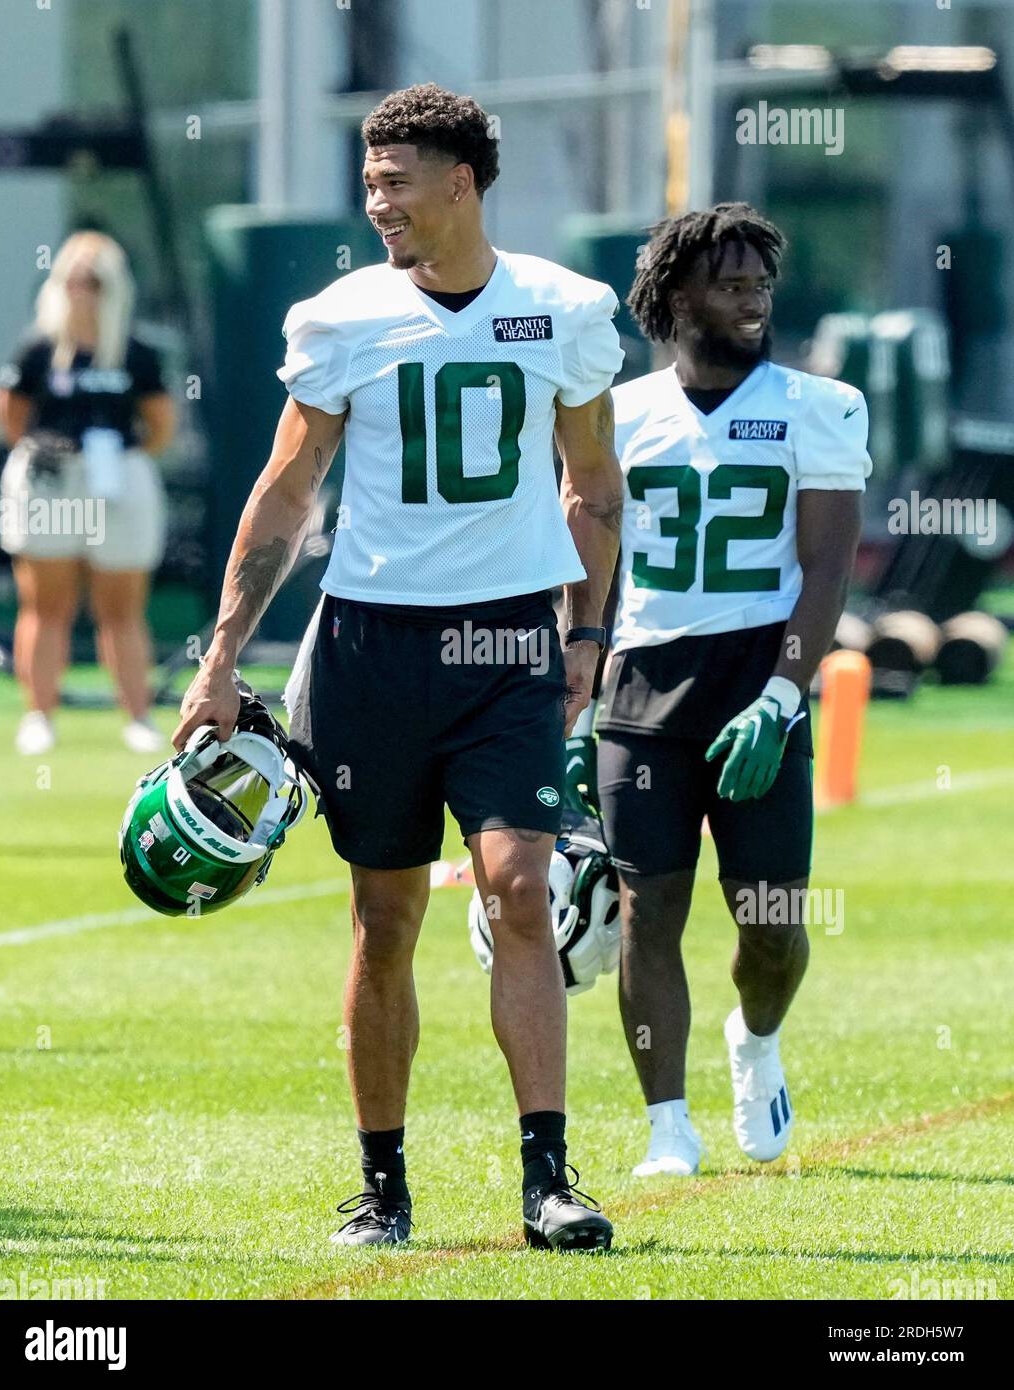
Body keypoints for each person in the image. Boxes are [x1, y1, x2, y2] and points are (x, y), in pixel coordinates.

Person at [173, 84, 624, 1250]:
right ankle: (384, 1185)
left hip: (509, 639)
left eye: (395, 181)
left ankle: (548, 1180)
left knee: (520, 885)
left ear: (462, 183)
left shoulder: (563, 309)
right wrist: (221, 655)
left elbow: (593, 486)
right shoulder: (340, 317)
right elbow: (284, 490)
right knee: (384, 916)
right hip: (371, 641)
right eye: (368, 181)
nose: (376, 202)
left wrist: (585, 635)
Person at [596, 203, 870, 1176]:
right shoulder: (618, 414)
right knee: (647, 910)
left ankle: (754, 1041)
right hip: (642, 685)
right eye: (730, 282)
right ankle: (666, 1122)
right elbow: (587, 565)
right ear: (674, 296)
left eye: (761, 282)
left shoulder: (820, 405)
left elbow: (826, 567)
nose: (753, 299)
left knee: (771, 925)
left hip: (759, 680)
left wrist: (783, 693)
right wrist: (570, 692)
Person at [0, 230, 175, 756]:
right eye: (73, 279)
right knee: (46, 604)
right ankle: (39, 714)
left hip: (116, 474)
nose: (82, 291)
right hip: (53, 477)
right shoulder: (38, 348)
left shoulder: (135, 351)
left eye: (93, 281)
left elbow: (160, 422)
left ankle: (137, 716)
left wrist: (124, 458)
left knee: (121, 606)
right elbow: (11, 413)